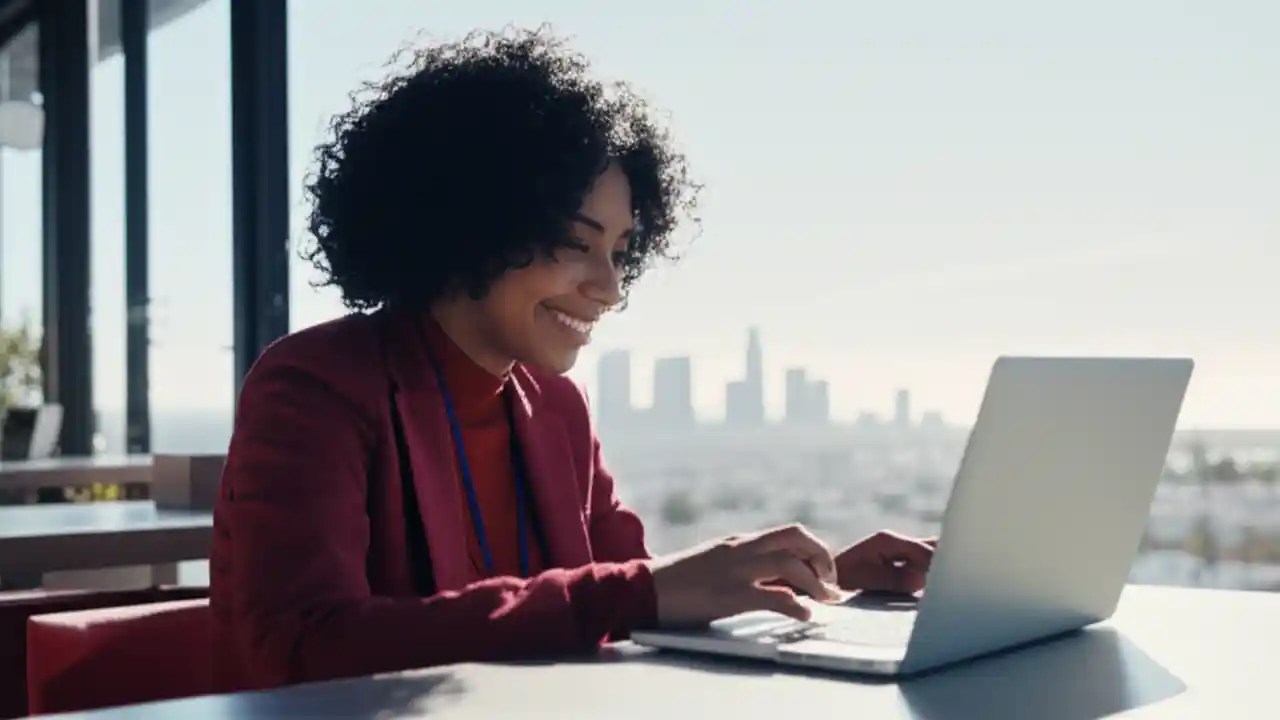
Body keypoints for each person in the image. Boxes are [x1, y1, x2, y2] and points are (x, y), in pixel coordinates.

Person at [209, 28, 934, 692]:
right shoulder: (314, 386)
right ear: (471, 222)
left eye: (620, 252)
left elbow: (638, 597)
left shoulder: (556, 408)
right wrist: (640, 593)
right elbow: (302, 647)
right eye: (575, 243)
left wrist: (822, 578)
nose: (611, 288)